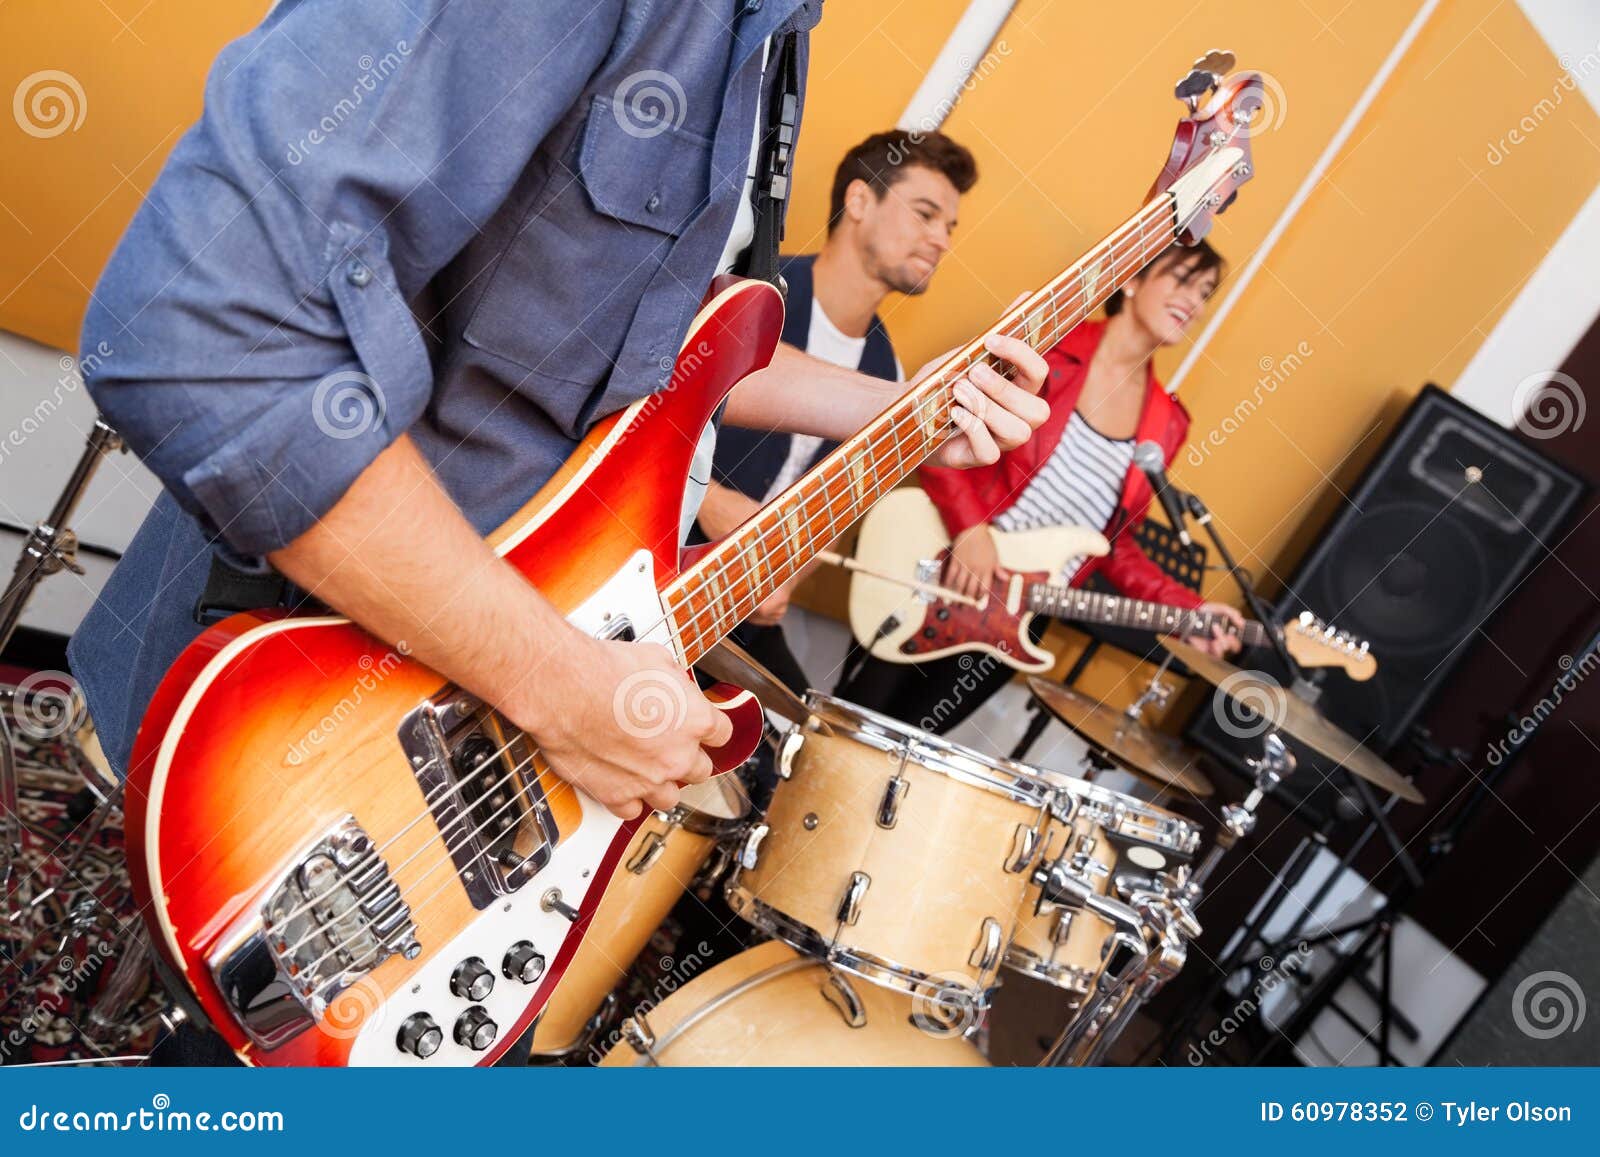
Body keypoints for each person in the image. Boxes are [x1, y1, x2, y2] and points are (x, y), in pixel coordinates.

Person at [835, 240, 1243, 735]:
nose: (1194, 301)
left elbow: (1116, 547)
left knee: (912, 747)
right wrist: (970, 531)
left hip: (1022, 618)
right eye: (1181, 279)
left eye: (1204, 291)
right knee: (846, 724)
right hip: (944, 572)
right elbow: (943, 430)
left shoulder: (1168, 423)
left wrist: (1192, 612)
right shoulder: (1045, 348)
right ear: (1133, 279)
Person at [694, 129, 978, 694]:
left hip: (741, 610)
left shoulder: (890, 374)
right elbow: (634, 413)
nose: (941, 240)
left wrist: (785, 578)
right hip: (649, 558)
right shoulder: (746, 291)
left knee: (801, 746)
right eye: (925, 214)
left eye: (948, 227)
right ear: (859, 201)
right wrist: (709, 502)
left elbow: (835, 514)